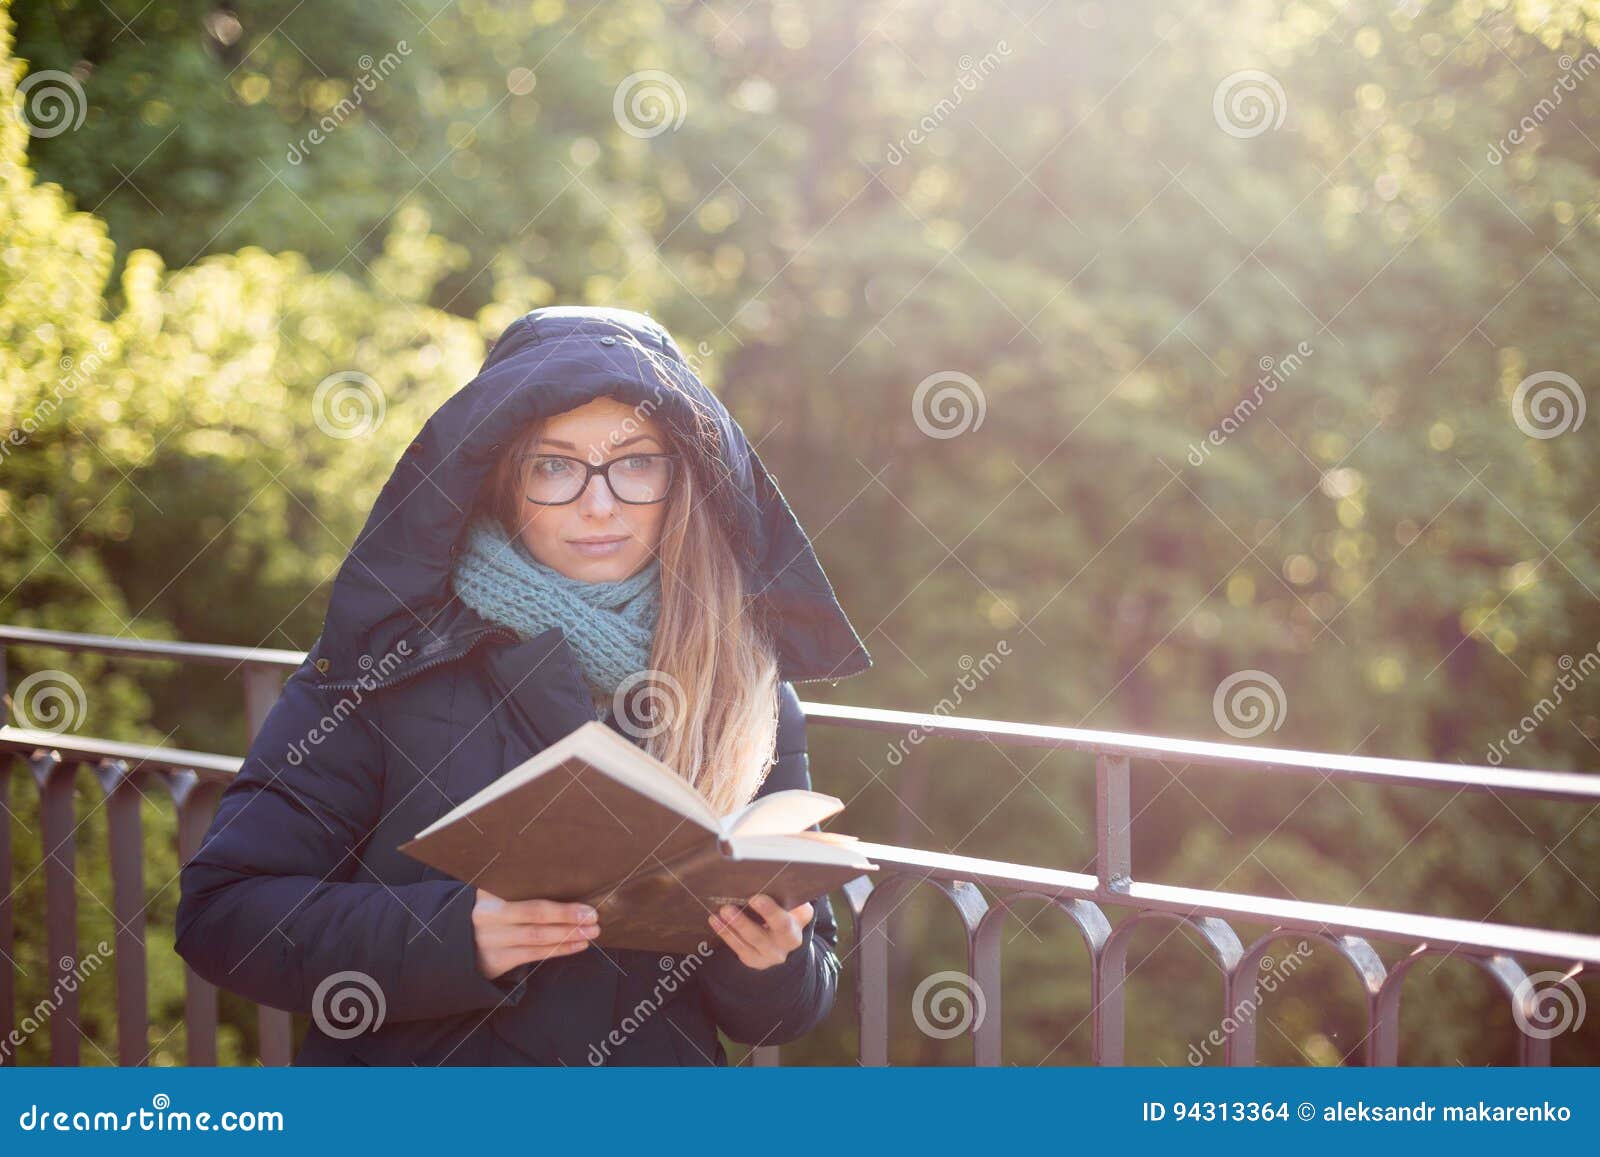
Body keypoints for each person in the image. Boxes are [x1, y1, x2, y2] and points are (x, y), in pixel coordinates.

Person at [174, 305, 873, 1065]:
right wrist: (455, 935)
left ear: (684, 480)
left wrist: (769, 961)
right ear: (502, 481)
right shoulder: (389, 656)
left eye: (635, 461)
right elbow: (224, 914)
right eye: (554, 465)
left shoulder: (746, 683)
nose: (598, 502)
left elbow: (795, 1004)